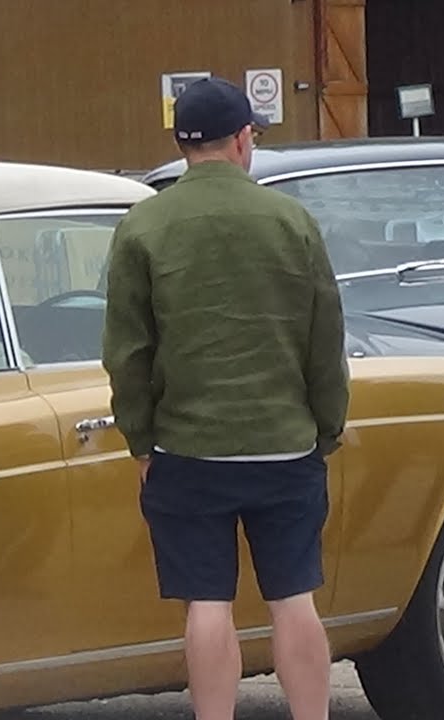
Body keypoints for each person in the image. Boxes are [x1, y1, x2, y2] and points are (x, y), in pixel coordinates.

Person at [102, 76, 350, 720]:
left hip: (187, 448)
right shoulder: (292, 221)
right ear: (244, 140)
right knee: (294, 598)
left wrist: (139, 440)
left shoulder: (142, 225)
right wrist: (324, 431)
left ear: (183, 146)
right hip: (285, 445)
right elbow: (325, 342)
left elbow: (128, 352)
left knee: (207, 603)